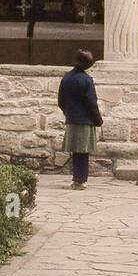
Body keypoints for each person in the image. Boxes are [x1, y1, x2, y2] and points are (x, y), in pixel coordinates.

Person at [57, 49, 103, 189]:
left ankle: (77, 178)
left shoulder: (66, 78)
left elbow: (61, 100)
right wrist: (98, 120)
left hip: (71, 118)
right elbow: (91, 102)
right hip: (85, 120)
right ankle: (80, 180)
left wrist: (68, 112)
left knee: (76, 151)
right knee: (83, 152)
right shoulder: (86, 80)